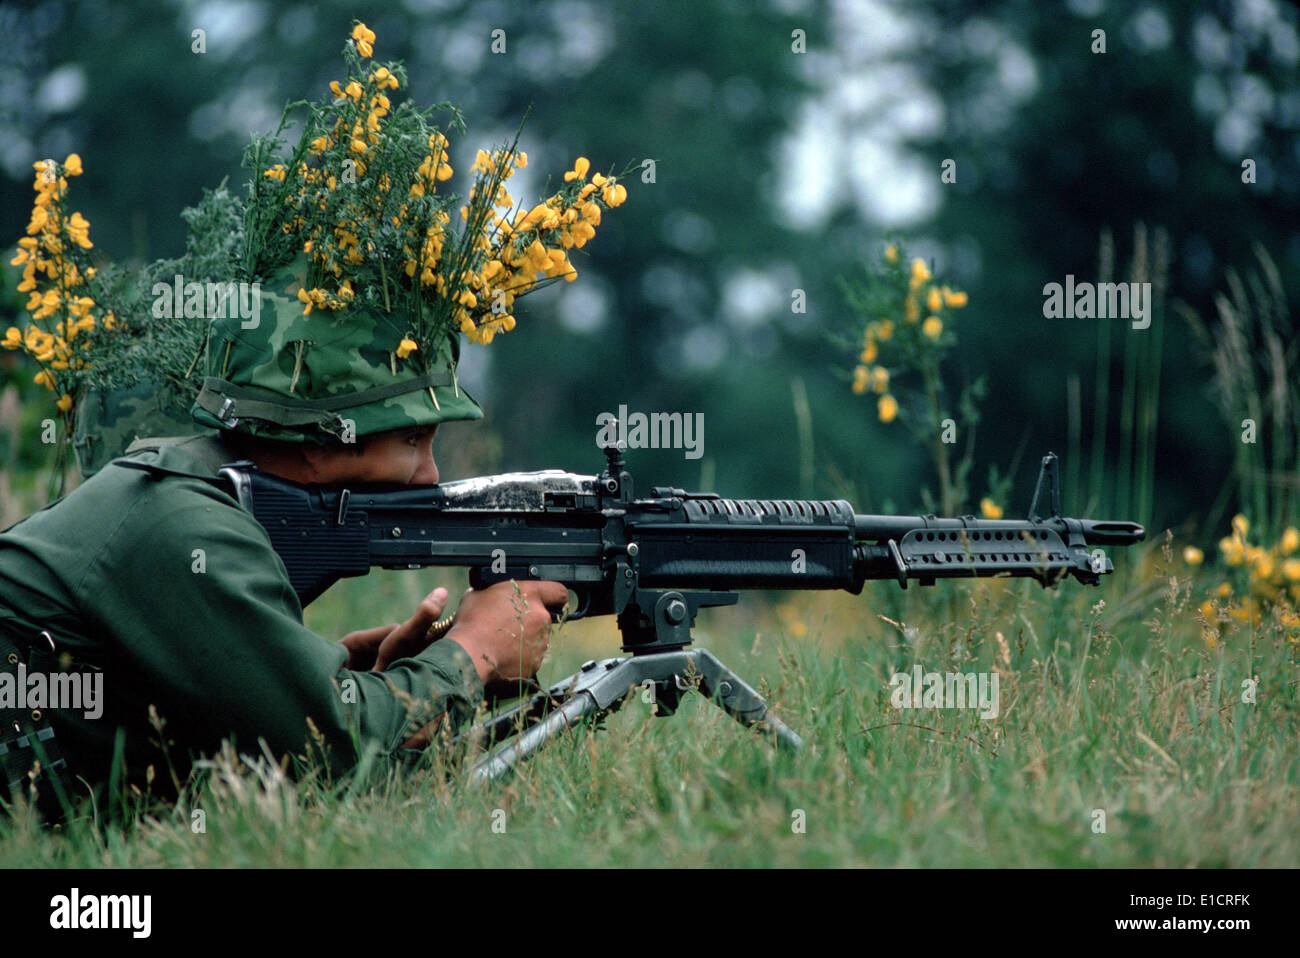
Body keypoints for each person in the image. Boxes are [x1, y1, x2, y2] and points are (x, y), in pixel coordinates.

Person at [0, 279, 568, 818]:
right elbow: (336, 760)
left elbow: (246, 746)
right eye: (413, 441)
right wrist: (475, 652)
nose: (430, 475)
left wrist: (354, 679)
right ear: (321, 441)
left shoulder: (187, 494)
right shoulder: (187, 526)